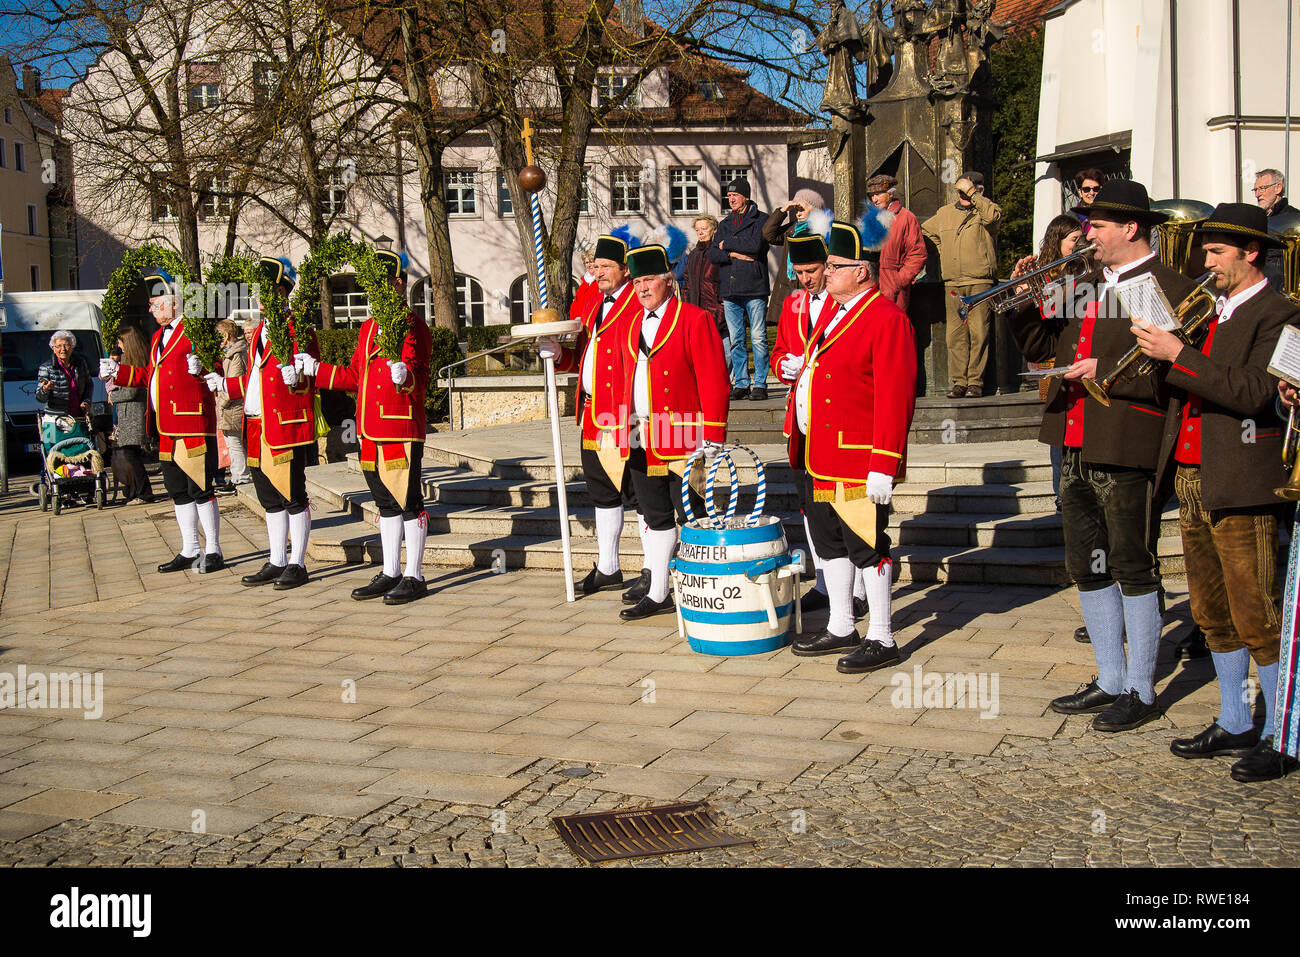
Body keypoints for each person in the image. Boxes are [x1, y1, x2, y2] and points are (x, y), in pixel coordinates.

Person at [1006, 179, 1196, 732]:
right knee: (1084, 561)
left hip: (1124, 436)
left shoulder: (1159, 284)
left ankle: (1140, 687)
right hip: (1070, 434)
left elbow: (1169, 370)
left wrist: (1104, 370)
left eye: (1099, 226)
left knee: (1132, 564)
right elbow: (1043, 351)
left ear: (1131, 228)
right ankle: (1109, 676)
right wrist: (1021, 307)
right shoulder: (1085, 281)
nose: (1089, 235)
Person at [1136, 203, 1299, 782]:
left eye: (1217, 252)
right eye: (1205, 251)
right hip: (1190, 470)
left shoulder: (1281, 313)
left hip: (1244, 478)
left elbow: (1257, 392)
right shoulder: (1208, 311)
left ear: (1251, 253)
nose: (1206, 262)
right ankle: (1235, 719)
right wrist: (1161, 351)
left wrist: (1180, 353)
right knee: (1210, 609)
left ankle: (1284, 730)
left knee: (1258, 610)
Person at [786, 211, 917, 673]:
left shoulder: (885, 317)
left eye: (835, 265)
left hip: (859, 457)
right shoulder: (836, 313)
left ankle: (882, 635)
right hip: (821, 453)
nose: (826, 272)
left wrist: (885, 461)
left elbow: (895, 395)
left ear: (860, 271)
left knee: (867, 544)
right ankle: (842, 623)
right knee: (830, 543)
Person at [298, 251, 431, 603]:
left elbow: (420, 377)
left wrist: (408, 376)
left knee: (408, 502)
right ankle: (391, 571)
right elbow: (356, 375)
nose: (375, 292)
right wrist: (317, 370)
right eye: (371, 286)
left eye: (382, 284)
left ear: (398, 284)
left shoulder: (412, 324)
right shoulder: (369, 327)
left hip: (398, 428)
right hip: (369, 429)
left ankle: (415, 575)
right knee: (385, 503)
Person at [614, 243, 730, 620]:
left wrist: (713, 434)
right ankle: (660, 590)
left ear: (667, 280)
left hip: (684, 434)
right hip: (641, 433)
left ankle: (707, 587)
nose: (642, 288)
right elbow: (620, 378)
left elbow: (714, 380)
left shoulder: (695, 319)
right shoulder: (631, 323)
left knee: (693, 513)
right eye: (636, 282)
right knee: (654, 514)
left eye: (648, 280)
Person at [540, 233, 646, 600]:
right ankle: (608, 566)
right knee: (602, 492)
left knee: (640, 494)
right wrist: (561, 356)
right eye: (595, 266)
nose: (597, 272)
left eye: (605, 267)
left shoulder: (637, 303)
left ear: (624, 270)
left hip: (624, 415)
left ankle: (652, 568)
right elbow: (588, 357)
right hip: (591, 412)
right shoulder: (597, 303)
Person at [99, 268, 224, 573]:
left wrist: (204, 366)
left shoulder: (195, 330)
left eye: (157, 303)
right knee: (177, 489)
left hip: (192, 422)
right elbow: (149, 376)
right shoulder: (157, 337)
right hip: (165, 426)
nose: (152, 308)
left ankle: (214, 551)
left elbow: (215, 368)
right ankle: (190, 549)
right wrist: (117, 373)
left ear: (175, 303)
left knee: (201, 488)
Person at [770, 233, 868, 619]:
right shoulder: (793, 303)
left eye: (813, 270)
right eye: (800, 271)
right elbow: (779, 351)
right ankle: (826, 583)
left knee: (846, 507)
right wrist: (784, 367)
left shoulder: (844, 300)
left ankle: (857, 590)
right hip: (802, 422)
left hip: (839, 421)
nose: (806, 278)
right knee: (811, 506)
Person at [207, 257, 318, 590]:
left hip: (283, 424)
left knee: (292, 494)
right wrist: (224, 385)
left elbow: (307, 377)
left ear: (282, 292)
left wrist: (296, 378)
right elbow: (255, 381)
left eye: (266, 291)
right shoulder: (258, 333)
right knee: (268, 496)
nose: (259, 298)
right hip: (254, 424)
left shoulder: (298, 327)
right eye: (258, 292)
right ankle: (277, 559)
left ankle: (297, 562)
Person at [1008, 213, 1085, 508]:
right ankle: (1060, 493)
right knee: (1058, 427)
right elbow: (1044, 318)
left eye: (1082, 239)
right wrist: (1022, 294)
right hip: (1052, 360)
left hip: (1079, 356)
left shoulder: (1084, 271)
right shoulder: (1043, 272)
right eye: (1074, 240)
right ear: (1058, 240)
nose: (1080, 244)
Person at [922, 170, 1001, 398]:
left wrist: (974, 194)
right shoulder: (945, 213)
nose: (963, 195)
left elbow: (993, 219)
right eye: (961, 191)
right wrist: (942, 249)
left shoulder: (986, 209)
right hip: (953, 283)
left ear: (979, 190)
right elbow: (926, 231)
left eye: (967, 190)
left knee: (979, 333)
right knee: (955, 336)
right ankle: (959, 381)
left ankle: (975, 382)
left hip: (979, 281)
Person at [708, 177, 771, 401]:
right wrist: (734, 253)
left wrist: (728, 245)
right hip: (731, 288)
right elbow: (713, 254)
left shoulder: (761, 219)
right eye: (729, 196)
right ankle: (742, 382)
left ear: (746, 196)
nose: (731, 199)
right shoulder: (725, 224)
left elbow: (756, 246)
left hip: (754, 287)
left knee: (759, 338)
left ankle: (761, 383)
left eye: (735, 195)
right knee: (736, 339)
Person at [865, 173, 927, 313]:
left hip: (894, 287)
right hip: (870, 285)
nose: (874, 199)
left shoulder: (906, 217)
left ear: (890, 194)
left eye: (878, 194)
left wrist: (899, 280)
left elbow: (918, 254)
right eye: (872, 195)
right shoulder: (870, 218)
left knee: (893, 328)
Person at [106, 332, 156, 505]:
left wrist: (114, 396)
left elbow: (132, 389)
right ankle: (137, 491)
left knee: (131, 453)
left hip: (133, 413)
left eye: (120, 343)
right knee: (130, 453)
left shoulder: (133, 360)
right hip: (129, 413)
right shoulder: (130, 359)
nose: (119, 347)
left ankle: (144, 492)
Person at [684, 215, 727, 373]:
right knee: (702, 352)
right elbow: (687, 283)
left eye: (704, 229)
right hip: (697, 310)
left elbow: (725, 277)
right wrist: (687, 306)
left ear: (714, 229)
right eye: (697, 230)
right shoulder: (694, 254)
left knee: (725, 350)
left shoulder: (720, 251)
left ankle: (728, 382)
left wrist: (722, 304)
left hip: (717, 308)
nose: (700, 233)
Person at [213, 319, 249, 494]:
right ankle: (237, 476)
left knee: (235, 443)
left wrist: (220, 402)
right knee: (232, 443)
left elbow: (235, 383)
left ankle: (241, 479)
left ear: (226, 335)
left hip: (233, 406)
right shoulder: (228, 353)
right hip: (227, 406)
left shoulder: (237, 353)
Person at [1254, 169, 1296, 291]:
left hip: (1281, 290)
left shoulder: (1293, 218)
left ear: (1278, 188)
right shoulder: (1259, 219)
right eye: (1255, 190)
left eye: (1262, 188)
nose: (1257, 194)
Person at [35, 330, 92, 417]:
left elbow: (89, 385)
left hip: (79, 415)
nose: (63, 349)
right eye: (58, 346)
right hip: (57, 418)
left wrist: (86, 401)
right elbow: (40, 398)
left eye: (67, 345)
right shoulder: (46, 368)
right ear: (54, 349)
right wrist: (45, 389)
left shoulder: (80, 363)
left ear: (72, 347)